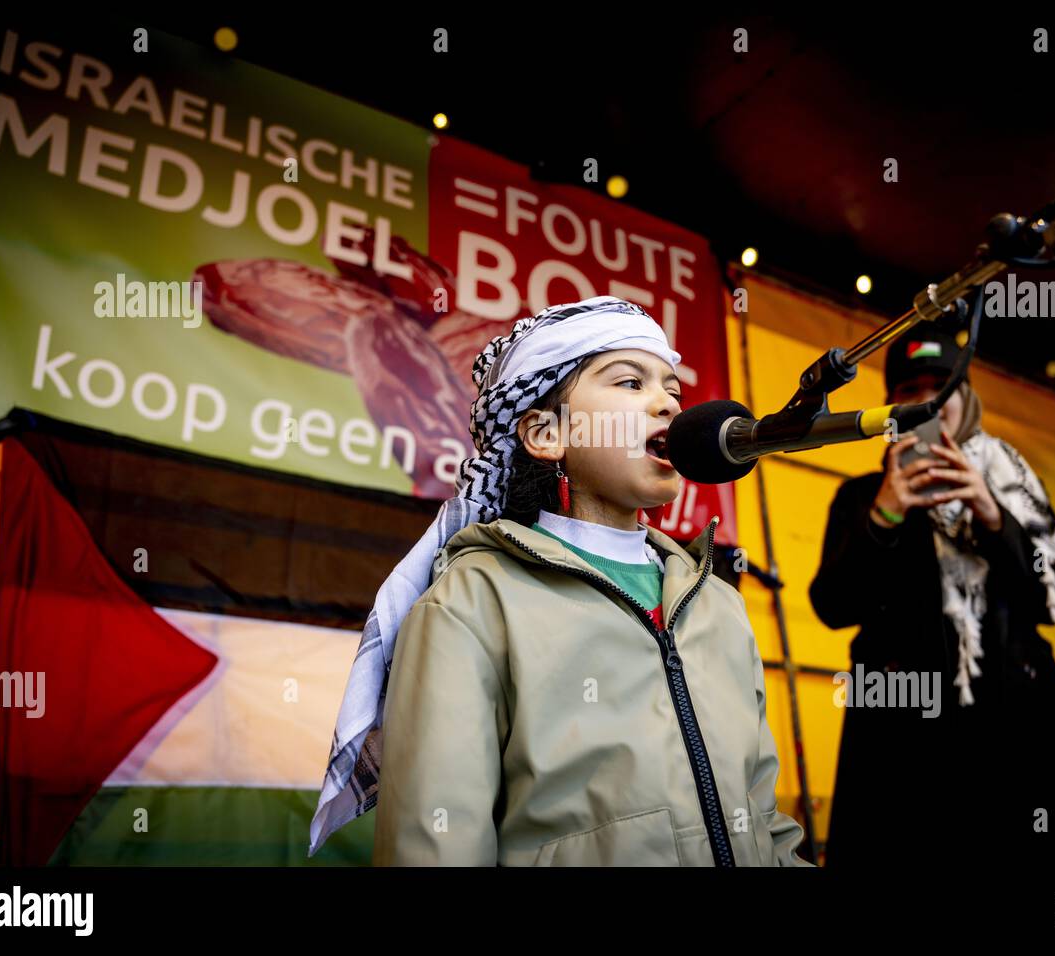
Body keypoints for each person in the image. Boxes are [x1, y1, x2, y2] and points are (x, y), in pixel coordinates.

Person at [314, 295, 812, 866]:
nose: (667, 406)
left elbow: (766, 822)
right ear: (546, 434)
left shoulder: (720, 604)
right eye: (630, 383)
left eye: (673, 391)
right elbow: (436, 843)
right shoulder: (473, 601)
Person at [809, 322, 1055, 868]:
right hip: (904, 740)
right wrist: (884, 514)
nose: (927, 403)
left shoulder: (1010, 483)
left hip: (1022, 732)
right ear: (890, 407)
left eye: (942, 387)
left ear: (967, 397)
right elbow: (832, 607)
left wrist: (991, 513)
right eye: (909, 391)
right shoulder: (860, 496)